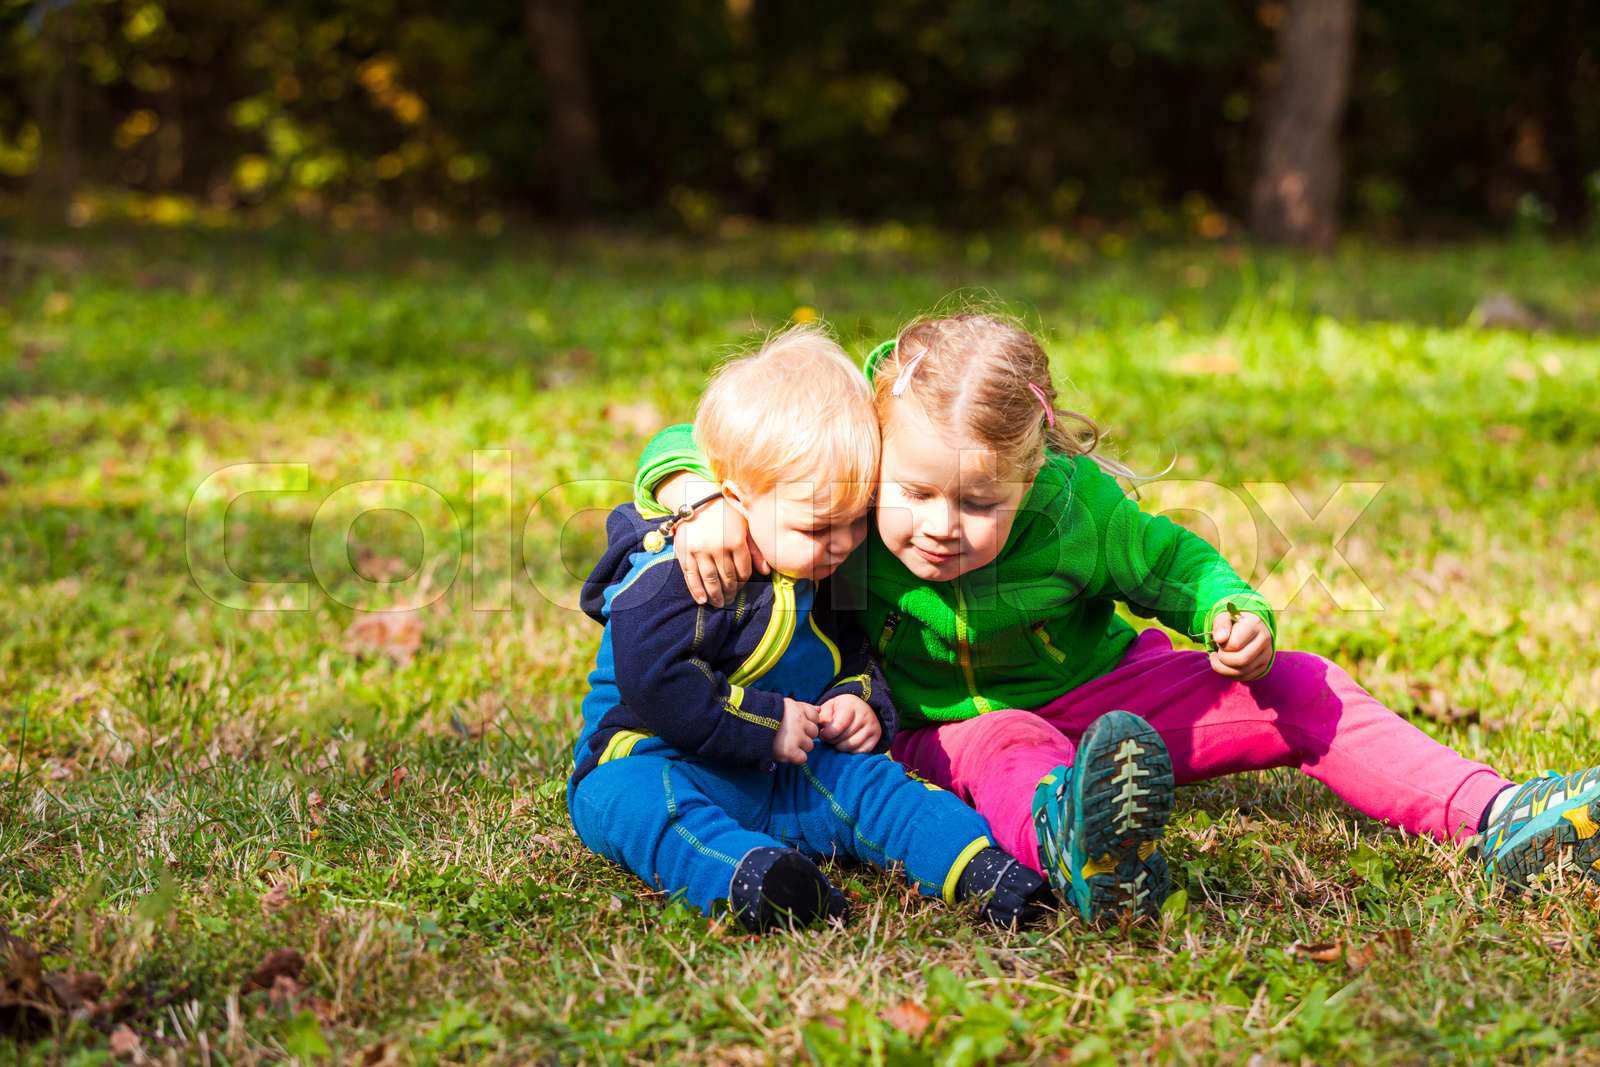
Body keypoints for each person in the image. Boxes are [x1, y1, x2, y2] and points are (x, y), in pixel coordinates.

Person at [636, 312, 1600, 923]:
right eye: (914, 494)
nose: (939, 527)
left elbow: (1172, 559)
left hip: (1111, 695)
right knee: (1009, 742)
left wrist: (1230, 609)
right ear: (878, 457)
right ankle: (1083, 844)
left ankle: (1498, 812)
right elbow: (720, 427)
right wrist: (695, 494)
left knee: (1298, 683)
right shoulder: (859, 465)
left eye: (979, 504)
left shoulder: (1075, 506)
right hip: (950, 729)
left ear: (1032, 471)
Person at [567, 324, 1048, 933]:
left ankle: (978, 867)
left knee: (874, 787)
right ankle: (752, 878)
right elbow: (657, 686)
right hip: (657, 756)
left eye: (854, 522)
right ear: (737, 498)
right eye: (820, 529)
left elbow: (852, 653)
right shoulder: (679, 570)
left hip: (789, 767)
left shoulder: (825, 568)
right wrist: (767, 722)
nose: (844, 544)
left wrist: (859, 701)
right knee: (643, 810)